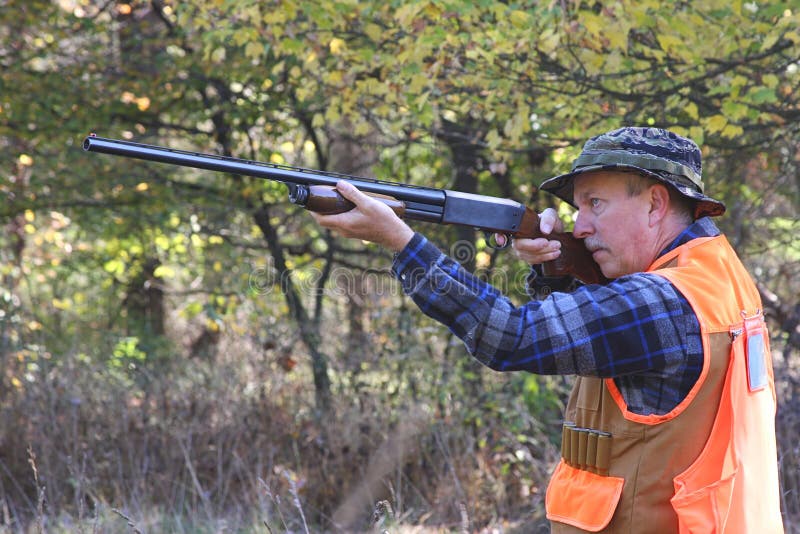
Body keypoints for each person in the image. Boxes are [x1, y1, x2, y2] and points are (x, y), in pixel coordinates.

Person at [310, 127, 783, 532]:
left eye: (595, 204)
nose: (580, 227)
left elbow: (511, 337)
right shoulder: (716, 275)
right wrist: (560, 271)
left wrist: (401, 242)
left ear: (656, 204)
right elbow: (621, 343)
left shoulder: (666, 301)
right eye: (579, 208)